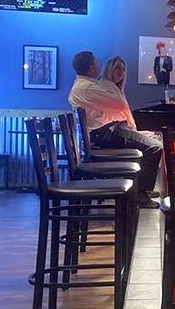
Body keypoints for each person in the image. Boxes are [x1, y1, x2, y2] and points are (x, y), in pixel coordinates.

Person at [68, 50, 162, 206]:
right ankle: (140, 194)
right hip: (104, 134)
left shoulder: (87, 85)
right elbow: (119, 104)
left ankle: (141, 189)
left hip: (105, 132)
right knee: (155, 147)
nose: (98, 65)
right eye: (96, 63)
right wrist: (113, 86)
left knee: (152, 141)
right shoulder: (88, 87)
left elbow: (117, 110)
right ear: (92, 67)